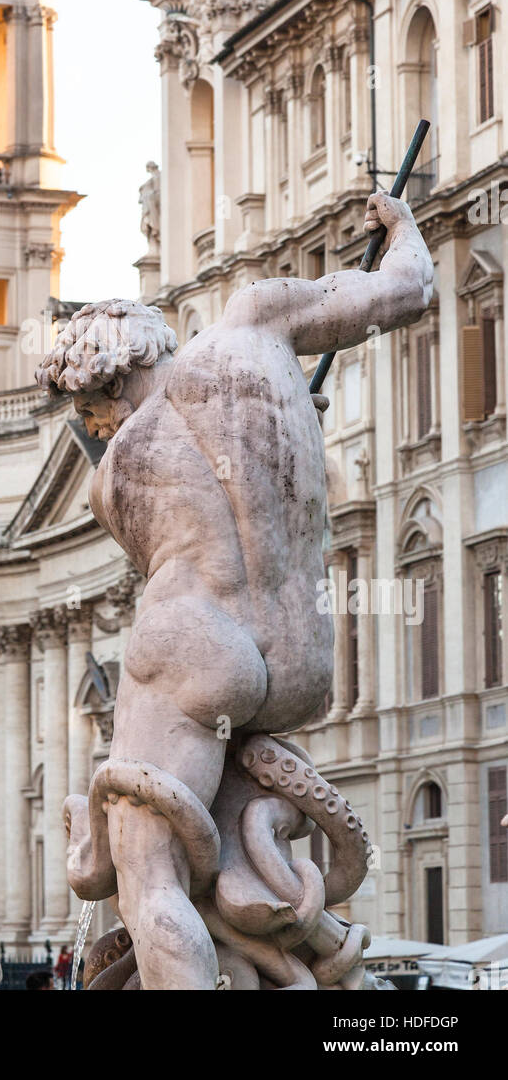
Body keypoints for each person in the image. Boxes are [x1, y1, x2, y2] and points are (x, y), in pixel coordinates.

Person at [37, 191, 433, 990]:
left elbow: (188, 530)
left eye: (91, 409)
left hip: (195, 646)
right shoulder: (255, 327)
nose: (98, 424)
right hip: (296, 664)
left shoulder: (108, 483)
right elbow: (407, 289)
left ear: (99, 392)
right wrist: (403, 230)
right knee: (231, 862)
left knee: (150, 878)